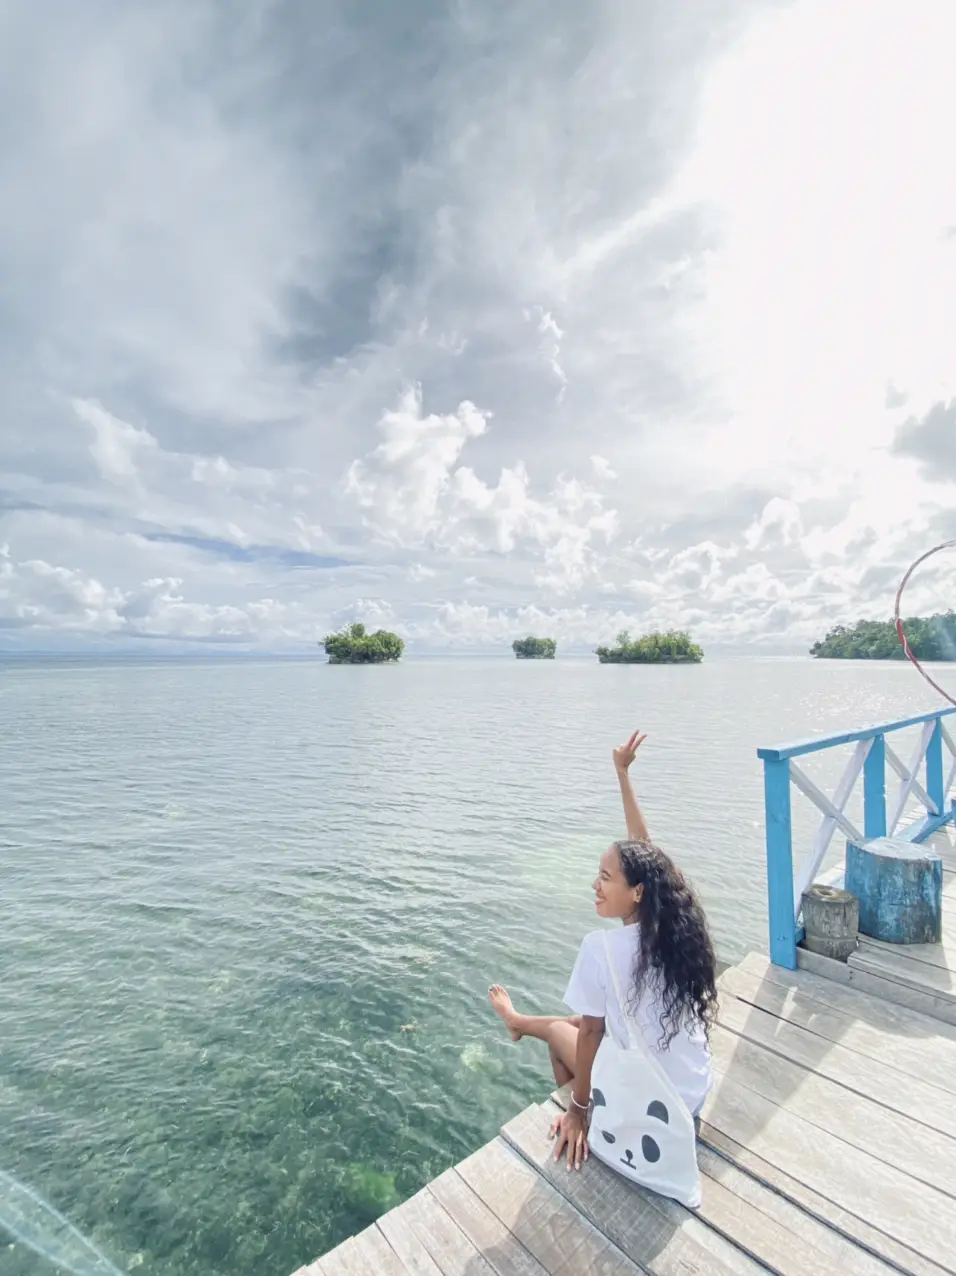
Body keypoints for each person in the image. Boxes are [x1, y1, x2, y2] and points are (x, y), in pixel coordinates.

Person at [488, 730, 718, 1171]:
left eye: (605, 877)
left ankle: (584, 1115)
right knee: (580, 1019)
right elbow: (646, 853)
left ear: (636, 893)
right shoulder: (672, 921)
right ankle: (518, 1023)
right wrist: (621, 773)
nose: (595, 884)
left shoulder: (600, 947)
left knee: (563, 1035)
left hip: (655, 1105)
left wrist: (576, 1109)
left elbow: (590, 1036)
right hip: (691, 1092)